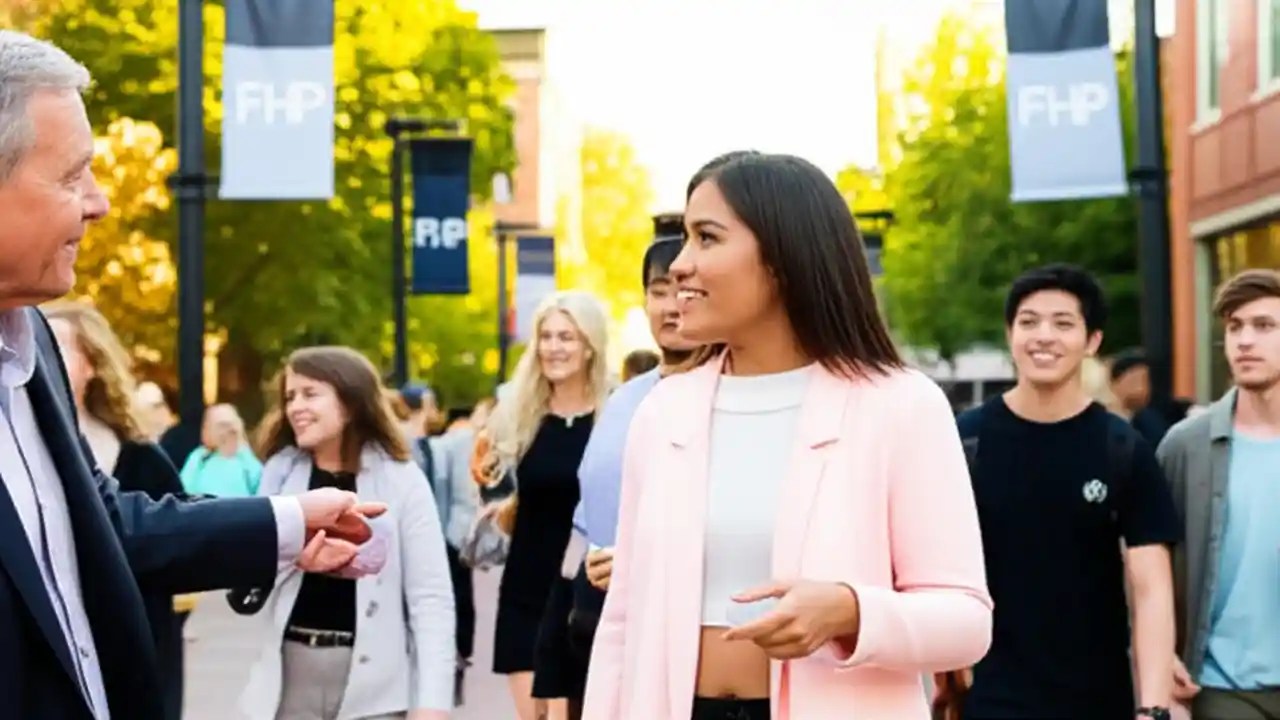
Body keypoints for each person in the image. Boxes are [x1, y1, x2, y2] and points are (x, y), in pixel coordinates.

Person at [0, 29, 384, 719]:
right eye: (70, 175)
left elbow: (104, 526)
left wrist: (290, 523)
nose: (99, 203)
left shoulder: (35, 350)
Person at [582, 152, 993, 719]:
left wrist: (850, 612)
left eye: (706, 238)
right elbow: (622, 621)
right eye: (684, 239)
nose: (679, 265)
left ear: (782, 258)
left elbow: (967, 621)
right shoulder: (662, 412)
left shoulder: (900, 404)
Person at [950, 265, 1178, 720]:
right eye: (1029, 321)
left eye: (1063, 323)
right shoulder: (963, 442)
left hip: (1097, 698)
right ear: (1010, 333)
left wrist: (1154, 708)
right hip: (994, 696)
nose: (1044, 336)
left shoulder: (1123, 448)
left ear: (1092, 341)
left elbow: (1151, 586)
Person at [534, 224, 702, 719]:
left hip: (680, 641)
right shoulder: (625, 399)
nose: (671, 306)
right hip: (597, 629)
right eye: (659, 291)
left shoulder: (726, 392)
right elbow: (589, 521)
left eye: (685, 291)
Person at [237, 347, 455, 720]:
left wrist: (432, 703)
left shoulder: (402, 479)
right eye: (290, 397)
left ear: (351, 402)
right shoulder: (280, 474)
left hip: (377, 691)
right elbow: (246, 584)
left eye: (310, 394)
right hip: (288, 680)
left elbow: (430, 598)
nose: (295, 407)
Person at [45, 301, 188, 720]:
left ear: (93, 364)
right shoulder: (16, 451)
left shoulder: (141, 457)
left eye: (58, 346)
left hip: (131, 650)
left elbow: (180, 546)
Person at [476, 290, 609, 720]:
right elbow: (491, 483)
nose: (554, 347)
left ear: (590, 346)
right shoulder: (517, 414)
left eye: (567, 337)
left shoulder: (614, 416)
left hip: (585, 594)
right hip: (525, 590)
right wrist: (501, 505)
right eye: (546, 336)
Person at [1157, 269, 1280, 720]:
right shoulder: (1185, 446)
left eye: (1264, 326)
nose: (1245, 340)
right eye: (1234, 327)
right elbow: (1146, 565)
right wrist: (1158, 655)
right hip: (1220, 686)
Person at [178, 403, 262, 497]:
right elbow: (183, 492)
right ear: (206, 430)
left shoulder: (246, 458)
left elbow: (260, 489)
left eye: (232, 425)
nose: (229, 430)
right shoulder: (199, 458)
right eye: (222, 425)